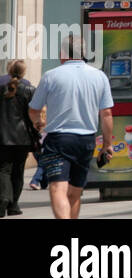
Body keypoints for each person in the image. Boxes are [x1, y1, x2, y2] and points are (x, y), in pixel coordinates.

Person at [27, 35, 114, 220]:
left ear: (63, 53)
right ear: (84, 53)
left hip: (59, 139)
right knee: (75, 191)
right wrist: (107, 145)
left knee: (58, 188)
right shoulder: (99, 76)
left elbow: (34, 109)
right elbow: (106, 114)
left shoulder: (51, 76)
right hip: (86, 140)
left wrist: (38, 124)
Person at [0, 60, 37, 217]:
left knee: (3, 170)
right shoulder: (29, 89)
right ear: (23, 72)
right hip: (22, 138)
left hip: (1, 137)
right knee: (18, 171)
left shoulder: (1, 87)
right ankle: (14, 205)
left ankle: (3, 198)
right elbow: (33, 115)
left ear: (9, 70)